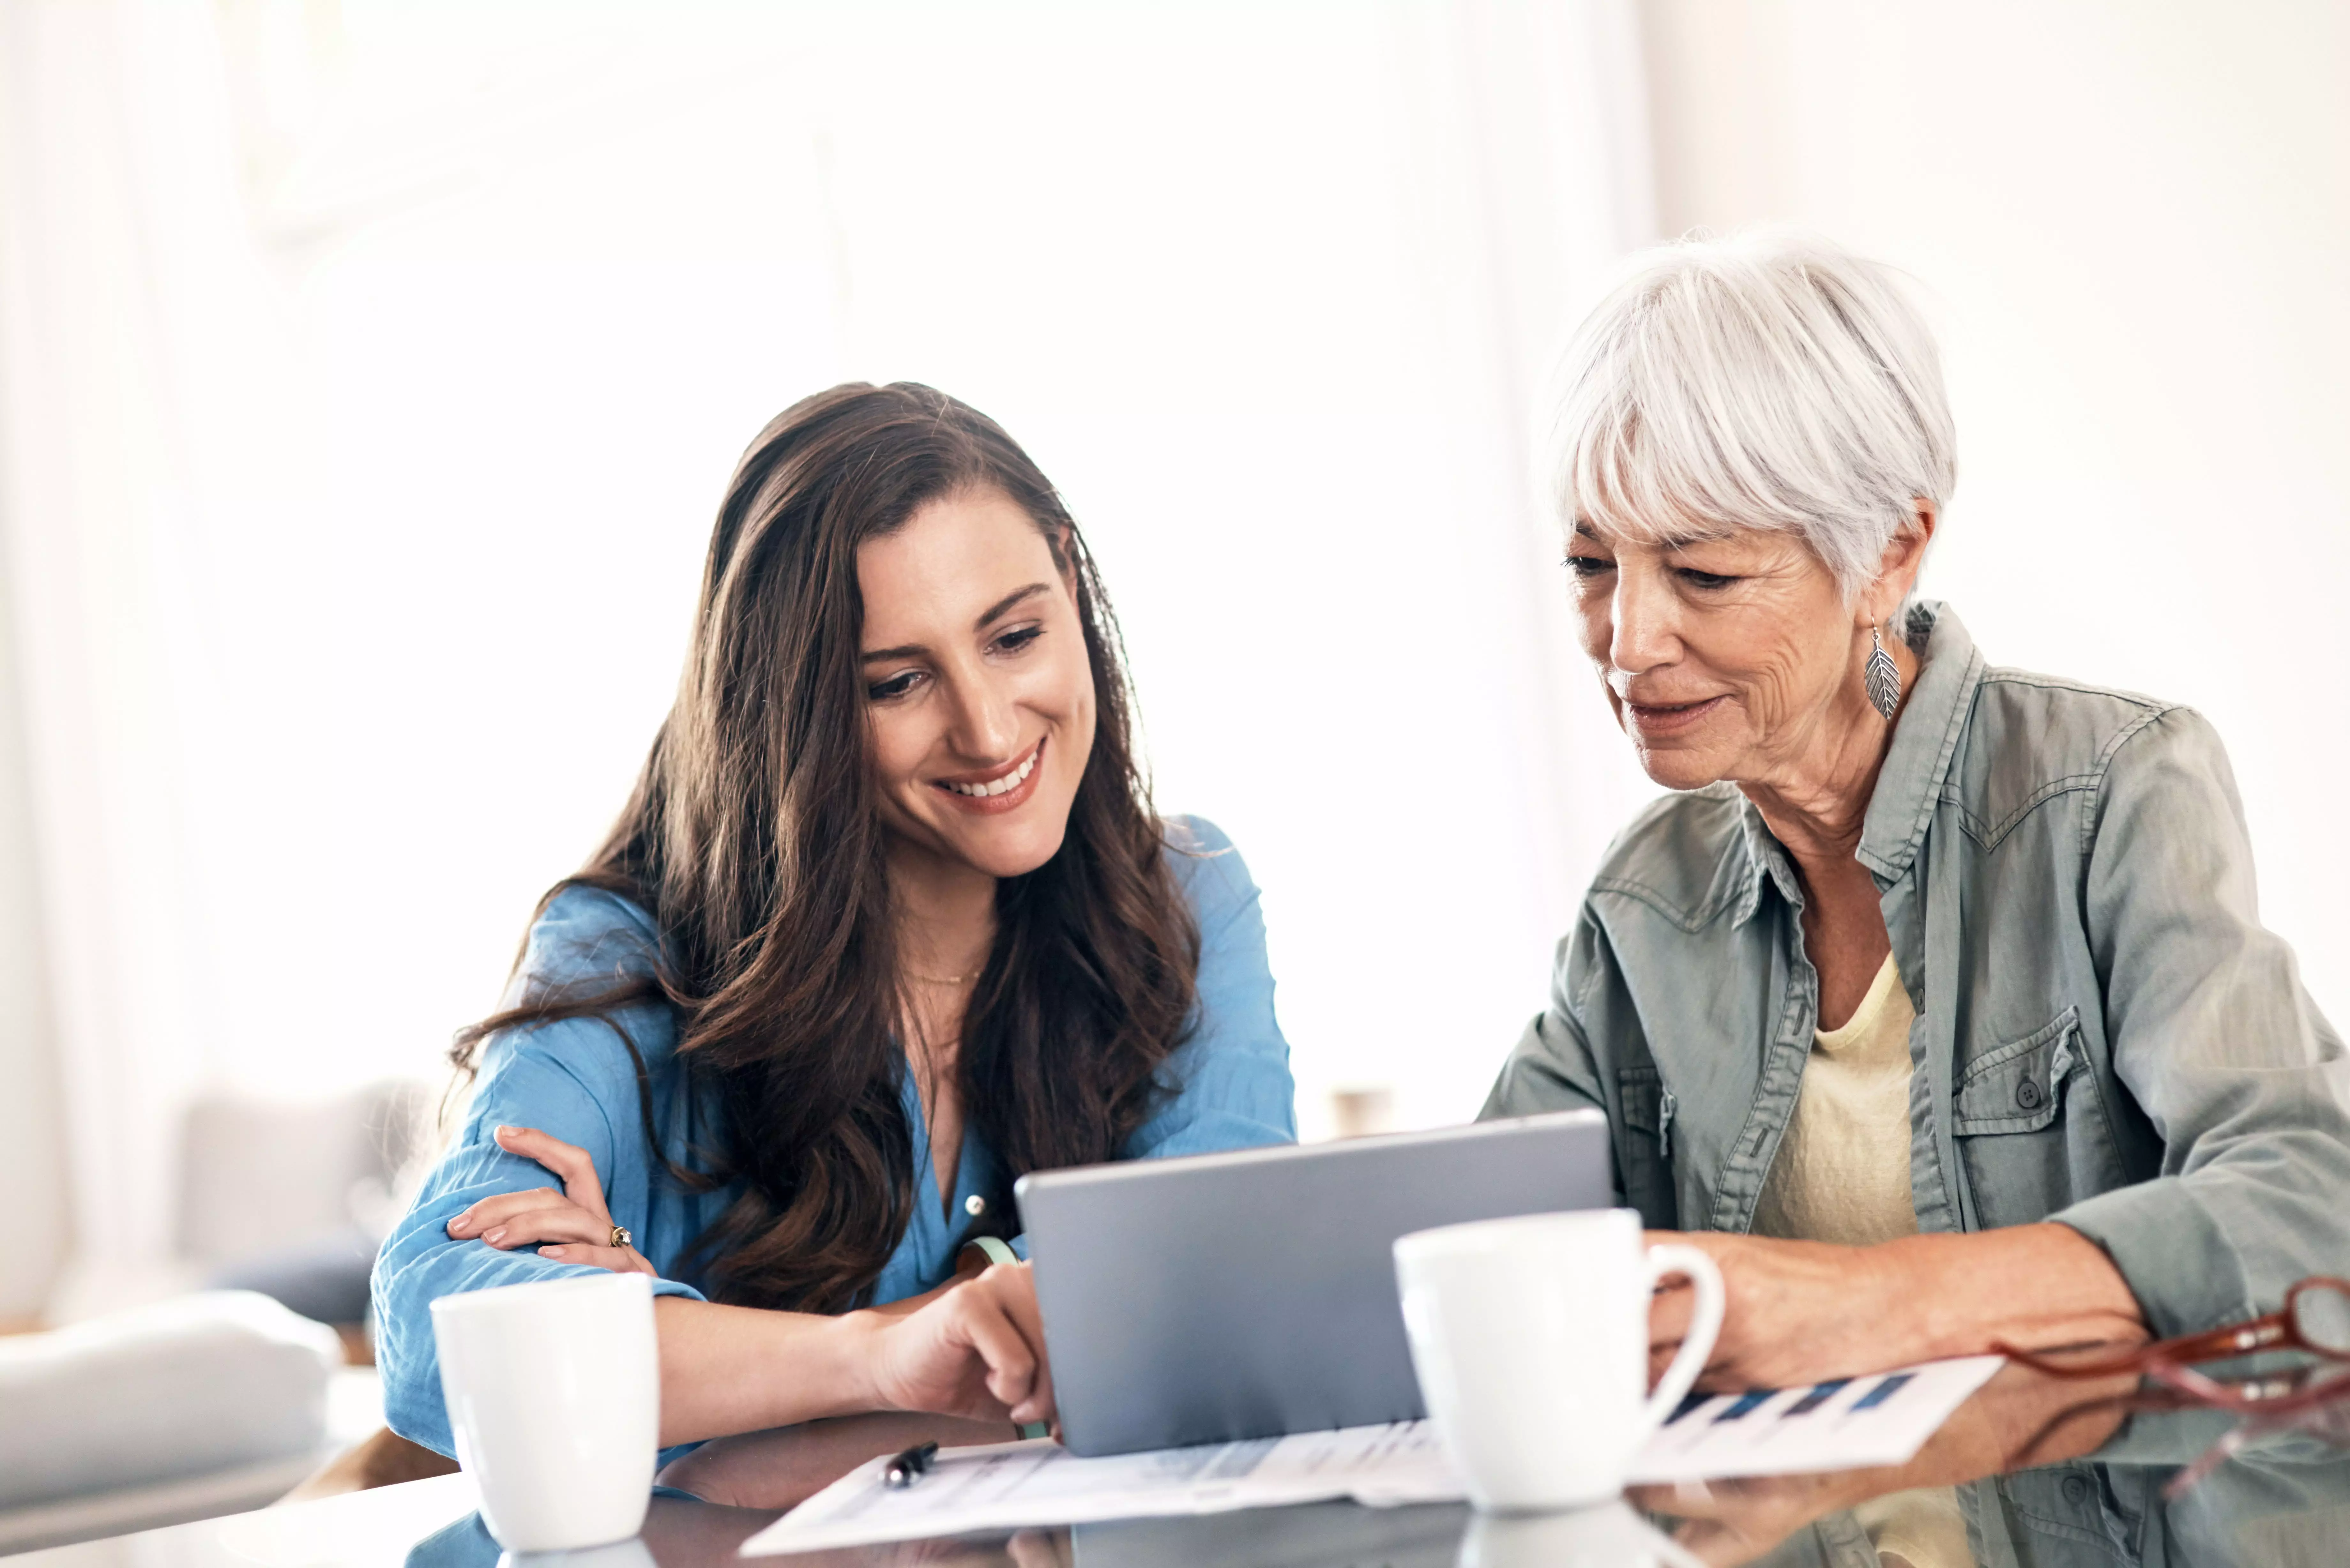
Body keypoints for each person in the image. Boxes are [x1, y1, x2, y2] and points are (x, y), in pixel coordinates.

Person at [1483, 232, 2350, 1565]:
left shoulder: (2108, 791)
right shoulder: (1643, 904)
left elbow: (2310, 1212)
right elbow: (1473, 1251)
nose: (1628, 640)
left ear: (1888, 551)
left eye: (1702, 573)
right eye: (1591, 566)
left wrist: (1866, 1308)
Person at [373, 383, 1295, 1472]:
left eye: (1016, 635)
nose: (989, 728)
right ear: (797, 712)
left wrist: (682, 1342)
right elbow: (444, 1334)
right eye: (898, 683)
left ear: (1069, 575)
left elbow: (1220, 1287)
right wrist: (884, 1354)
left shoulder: (1186, 899)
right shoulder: (633, 949)